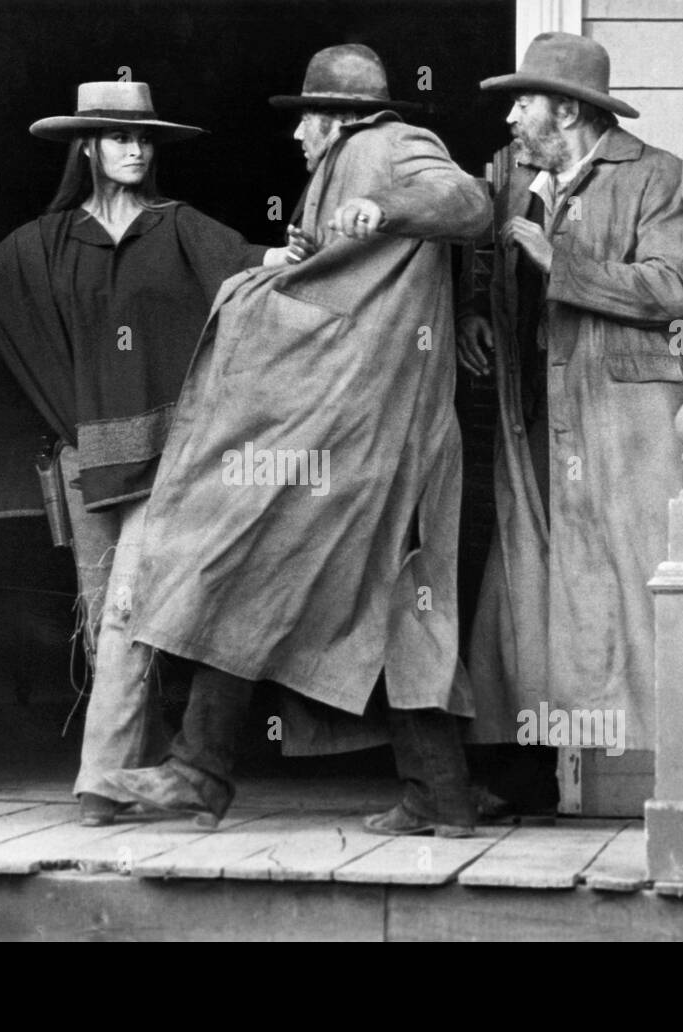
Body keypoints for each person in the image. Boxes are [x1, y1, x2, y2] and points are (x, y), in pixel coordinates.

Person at [0, 81, 310, 827]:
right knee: (109, 612)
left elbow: (255, 261)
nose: (135, 149)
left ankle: (100, 782)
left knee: (126, 613)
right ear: (89, 148)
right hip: (89, 462)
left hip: (174, 461)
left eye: (143, 138)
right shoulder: (49, 240)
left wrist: (299, 251)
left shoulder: (179, 228)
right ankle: (138, 777)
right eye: (118, 137)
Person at [107, 44, 495, 837]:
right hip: (357, 424)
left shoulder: (388, 146)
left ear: (335, 117)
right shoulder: (346, 160)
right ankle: (441, 794)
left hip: (369, 427)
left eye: (304, 121)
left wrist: (385, 209)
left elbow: (469, 203)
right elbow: (351, 274)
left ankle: (200, 770)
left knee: (252, 562)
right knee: (388, 600)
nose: (297, 139)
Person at [457, 32, 683, 806]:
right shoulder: (512, 174)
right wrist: (471, 313)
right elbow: (484, 257)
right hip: (530, 410)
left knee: (632, 589)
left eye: (523, 102)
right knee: (523, 593)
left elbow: (669, 290)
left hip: (617, 416)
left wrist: (564, 266)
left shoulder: (654, 174)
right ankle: (521, 778)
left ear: (566, 108)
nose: (512, 118)